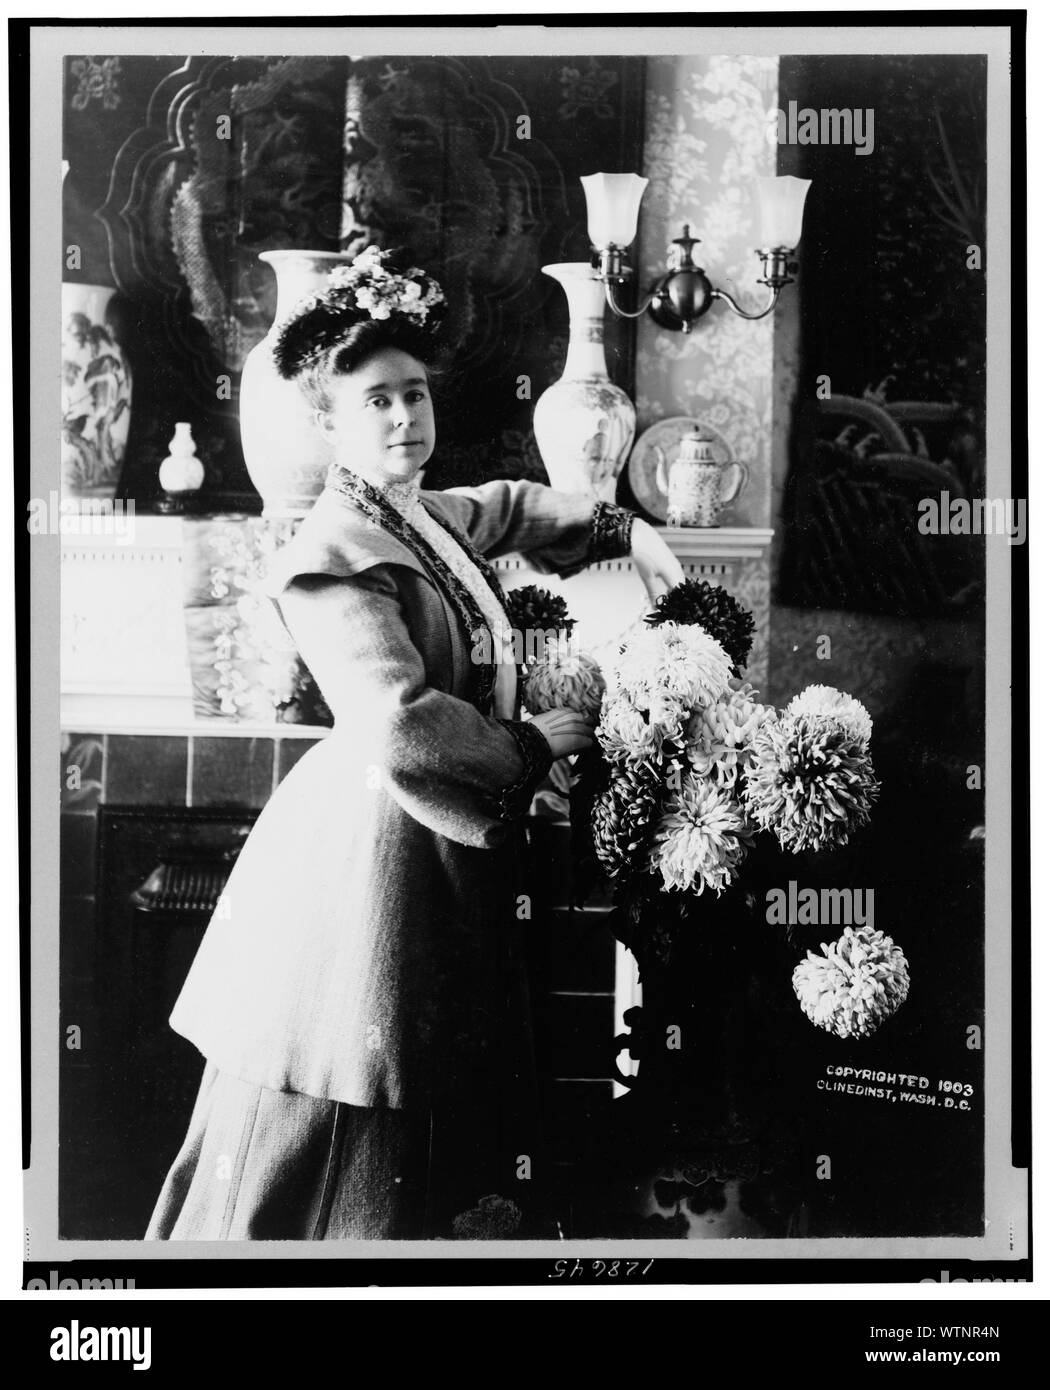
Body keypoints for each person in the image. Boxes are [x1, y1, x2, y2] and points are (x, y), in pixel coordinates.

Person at [146, 246, 683, 1240]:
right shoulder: (330, 555)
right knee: (345, 1087)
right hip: (372, 851)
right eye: (379, 402)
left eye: (416, 395)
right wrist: (525, 747)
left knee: (415, 1099)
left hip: (428, 840)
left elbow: (515, 506)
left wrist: (626, 531)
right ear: (331, 424)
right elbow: (398, 721)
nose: (404, 417)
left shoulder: (419, 515)